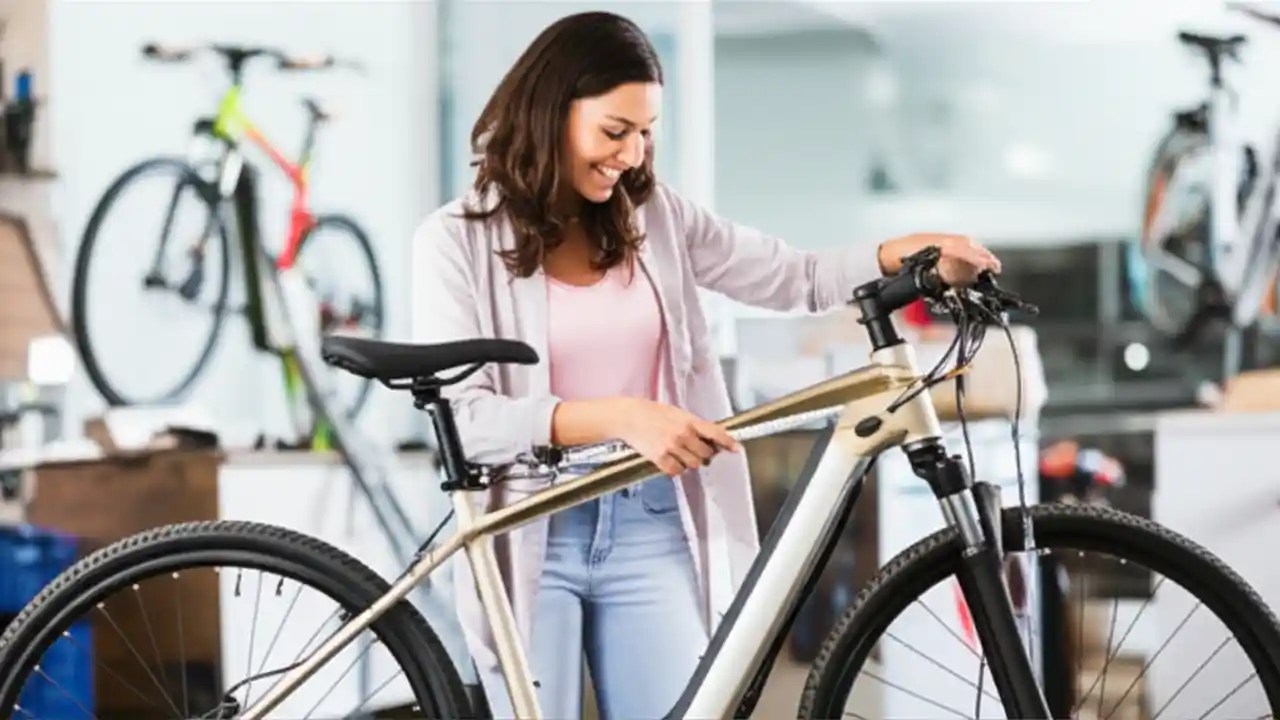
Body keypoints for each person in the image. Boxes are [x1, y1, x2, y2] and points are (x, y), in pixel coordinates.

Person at [410, 11, 1002, 719]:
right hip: (535, 523)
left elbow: (795, 277)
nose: (632, 155)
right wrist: (626, 418)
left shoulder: (652, 217)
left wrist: (909, 250)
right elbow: (466, 422)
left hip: (649, 522)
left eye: (646, 132)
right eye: (614, 131)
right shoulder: (456, 241)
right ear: (549, 114)